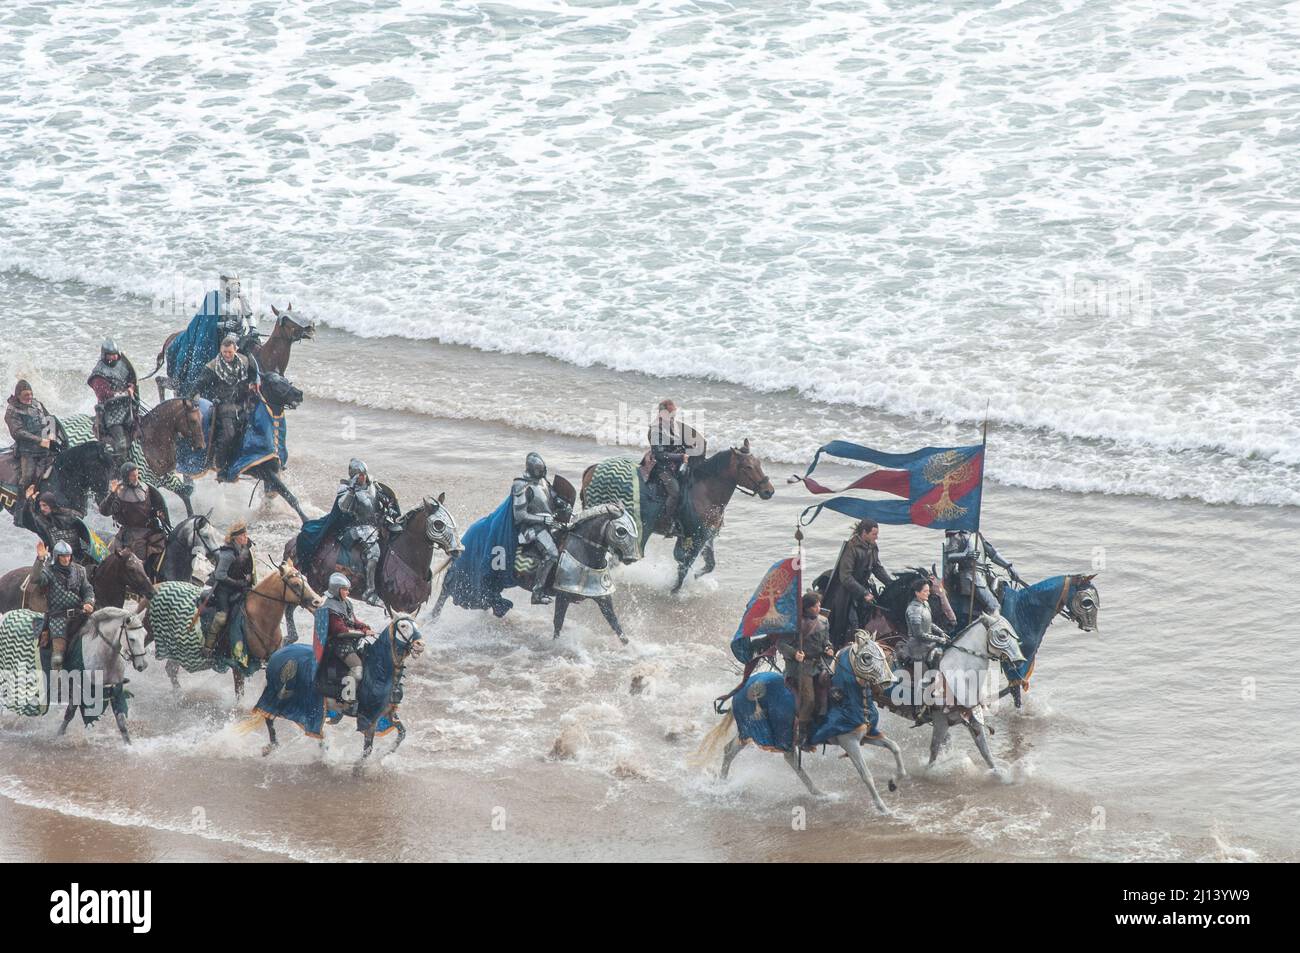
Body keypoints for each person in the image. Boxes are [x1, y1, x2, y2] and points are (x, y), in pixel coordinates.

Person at [189, 332, 259, 479]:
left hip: (242, 403)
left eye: (229, 352)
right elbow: (199, 384)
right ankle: (220, 465)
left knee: (255, 429)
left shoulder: (244, 361)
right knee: (229, 435)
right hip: (224, 406)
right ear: (221, 350)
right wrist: (193, 396)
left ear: (235, 350)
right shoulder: (213, 366)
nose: (227, 355)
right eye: (224, 352)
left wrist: (254, 384)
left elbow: (254, 375)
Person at [334, 458, 398, 606]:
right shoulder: (346, 489)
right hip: (358, 527)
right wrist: (351, 490)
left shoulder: (373, 485)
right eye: (359, 475)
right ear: (354, 476)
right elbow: (344, 507)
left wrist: (390, 508)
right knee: (374, 552)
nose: (363, 477)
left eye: (364, 474)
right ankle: (369, 592)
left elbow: (384, 501)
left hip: (377, 524)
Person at [822, 518, 894, 649]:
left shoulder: (873, 546)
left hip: (862, 588)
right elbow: (846, 577)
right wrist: (864, 593)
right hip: (845, 592)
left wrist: (891, 584)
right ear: (864, 533)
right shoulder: (851, 548)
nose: (876, 537)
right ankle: (843, 647)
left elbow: (877, 568)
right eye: (874, 534)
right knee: (852, 622)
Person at [314, 572, 375, 717]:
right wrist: (363, 633)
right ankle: (348, 701)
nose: (348, 592)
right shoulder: (330, 607)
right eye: (345, 589)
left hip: (349, 641)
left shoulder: (346, 602)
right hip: (337, 644)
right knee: (357, 667)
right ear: (337, 590)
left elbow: (353, 621)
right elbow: (340, 630)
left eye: (348, 589)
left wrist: (364, 626)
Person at [780, 591, 834, 750]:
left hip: (821, 663)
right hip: (802, 666)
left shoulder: (824, 621)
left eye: (819, 605)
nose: (819, 608)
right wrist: (794, 654)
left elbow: (826, 641)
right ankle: (802, 734)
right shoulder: (795, 623)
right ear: (807, 607)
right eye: (816, 606)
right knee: (809, 700)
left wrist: (829, 647)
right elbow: (781, 644)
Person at [34, 540, 95, 674]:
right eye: (63, 556)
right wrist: (40, 559)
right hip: (58, 619)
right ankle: (58, 681)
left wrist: (89, 602)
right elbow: (36, 579)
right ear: (57, 557)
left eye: (68, 556)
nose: (66, 559)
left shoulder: (80, 570)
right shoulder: (48, 572)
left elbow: (87, 590)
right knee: (57, 657)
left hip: (80, 615)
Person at [98, 461, 170, 575]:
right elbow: (104, 511)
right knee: (137, 559)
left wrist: (158, 513)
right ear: (126, 477)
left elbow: (156, 507)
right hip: (130, 533)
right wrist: (112, 494)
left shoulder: (147, 488)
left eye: (137, 474)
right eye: (132, 475)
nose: (136, 477)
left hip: (149, 529)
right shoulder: (119, 493)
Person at [644, 399, 706, 530]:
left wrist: (689, 445)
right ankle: (666, 521)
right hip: (661, 467)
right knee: (675, 491)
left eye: (674, 414)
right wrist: (680, 457)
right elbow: (659, 455)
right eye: (672, 414)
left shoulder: (672, 424)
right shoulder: (656, 430)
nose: (674, 416)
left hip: (675, 463)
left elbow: (677, 442)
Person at [512, 452, 562, 605]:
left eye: (542, 469)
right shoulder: (521, 485)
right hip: (531, 528)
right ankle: (537, 593)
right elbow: (520, 516)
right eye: (538, 469)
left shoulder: (543, 482)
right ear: (531, 469)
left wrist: (562, 504)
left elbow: (552, 497)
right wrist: (543, 519)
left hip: (550, 524)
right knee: (552, 554)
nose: (541, 472)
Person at [203, 520, 255, 658]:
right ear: (235, 538)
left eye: (246, 534)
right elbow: (220, 575)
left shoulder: (245, 549)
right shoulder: (228, 554)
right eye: (243, 535)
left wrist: (249, 579)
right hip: (224, 589)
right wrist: (238, 583)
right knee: (222, 617)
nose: (246, 537)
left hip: (240, 587)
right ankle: (208, 646)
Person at [942, 530, 1021, 620]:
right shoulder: (957, 536)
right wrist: (965, 555)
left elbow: (992, 553)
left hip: (983, 575)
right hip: (971, 577)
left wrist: (1008, 566)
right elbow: (948, 557)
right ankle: (991, 626)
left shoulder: (977, 535)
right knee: (994, 606)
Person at [87, 338, 139, 464]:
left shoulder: (122, 364)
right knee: (121, 444)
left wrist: (131, 387)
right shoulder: (99, 373)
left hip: (127, 407)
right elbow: (104, 395)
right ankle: (120, 468)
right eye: (110, 355)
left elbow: (131, 380)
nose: (113, 358)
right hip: (110, 412)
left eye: (115, 355)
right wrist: (126, 392)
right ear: (104, 355)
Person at [5, 379, 60, 496]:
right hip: (27, 450)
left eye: (31, 394)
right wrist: (40, 441)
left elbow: (49, 418)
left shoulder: (37, 404)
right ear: (18, 395)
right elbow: (17, 432)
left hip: (46, 445)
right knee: (27, 478)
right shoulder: (12, 410)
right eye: (26, 395)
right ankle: (21, 501)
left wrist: (51, 433)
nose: (29, 397)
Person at [15, 487, 93, 565]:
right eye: (40, 506)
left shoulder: (71, 516)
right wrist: (29, 501)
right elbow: (28, 521)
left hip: (78, 557)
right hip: (57, 562)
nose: (42, 508)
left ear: (51, 505)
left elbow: (86, 534)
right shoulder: (42, 522)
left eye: (44, 505)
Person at [903, 577, 950, 670]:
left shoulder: (925, 604)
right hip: (917, 649)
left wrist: (941, 632)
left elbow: (928, 623)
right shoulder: (914, 609)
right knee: (923, 676)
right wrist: (939, 639)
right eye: (925, 591)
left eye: (928, 591)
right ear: (917, 593)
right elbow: (918, 634)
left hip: (929, 645)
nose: (928, 593)